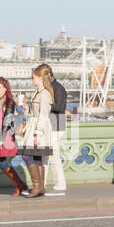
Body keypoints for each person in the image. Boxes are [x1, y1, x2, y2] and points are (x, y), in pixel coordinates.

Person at [18, 65, 55, 198]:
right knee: (36, 156)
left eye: (33, 77)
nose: (31, 79)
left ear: (40, 78)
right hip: (34, 125)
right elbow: (36, 112)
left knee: (26, 155)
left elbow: (43, 115)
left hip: (39, 128)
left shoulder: (44, 94)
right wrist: (27, 108)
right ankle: (40, 187)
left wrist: (37, 134)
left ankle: (37, 186)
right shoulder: (38, 92)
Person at [45, 68, 68, 196]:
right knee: (47, 156)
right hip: (53, 124)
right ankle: (41, 184)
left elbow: (59, 107)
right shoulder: (51, 87)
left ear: (49, 74)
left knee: (53, 156)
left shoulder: (58, 87)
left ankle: (59, 185)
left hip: (56, 125)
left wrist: (44, 104)